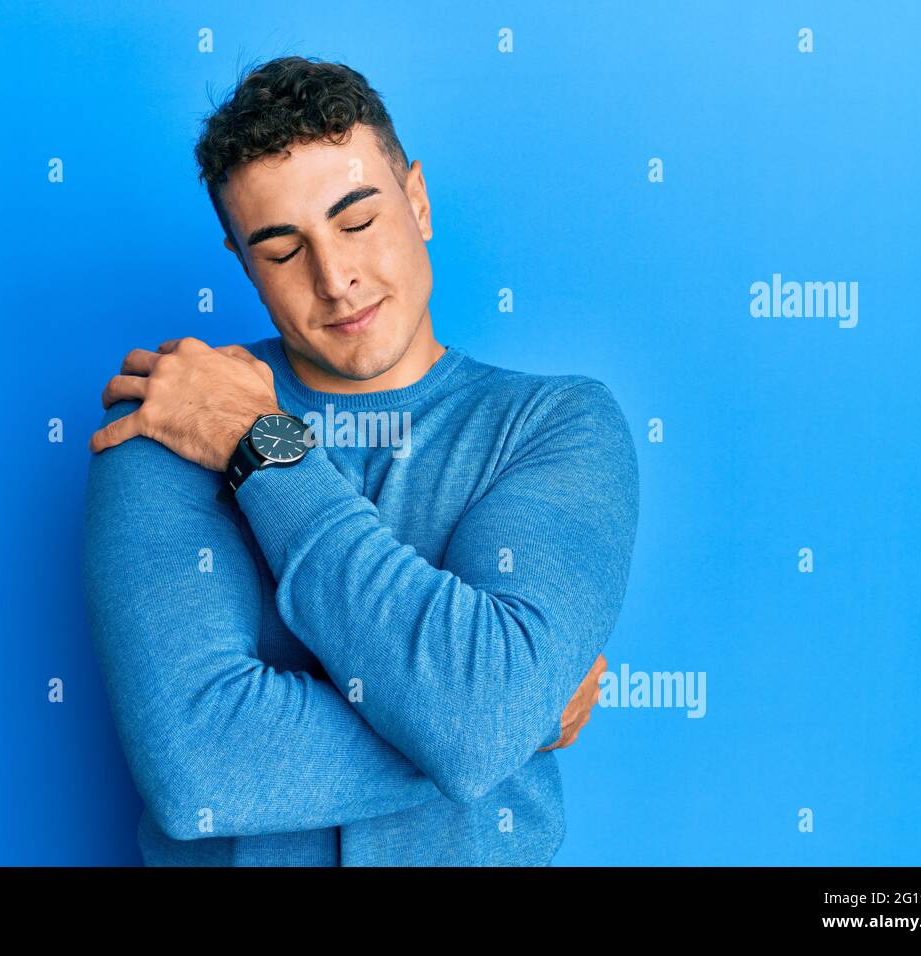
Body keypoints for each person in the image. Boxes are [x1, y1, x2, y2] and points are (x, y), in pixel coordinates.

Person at [80, 55, 639, 866]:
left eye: (358, 221)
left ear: (418, 200)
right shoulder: (169, 418)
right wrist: (514, 722)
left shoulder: (554, 424)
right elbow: (200, 766)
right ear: (243, 264)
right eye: (282, 251)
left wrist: (260, 444)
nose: (335, 279)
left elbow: (483, 721)